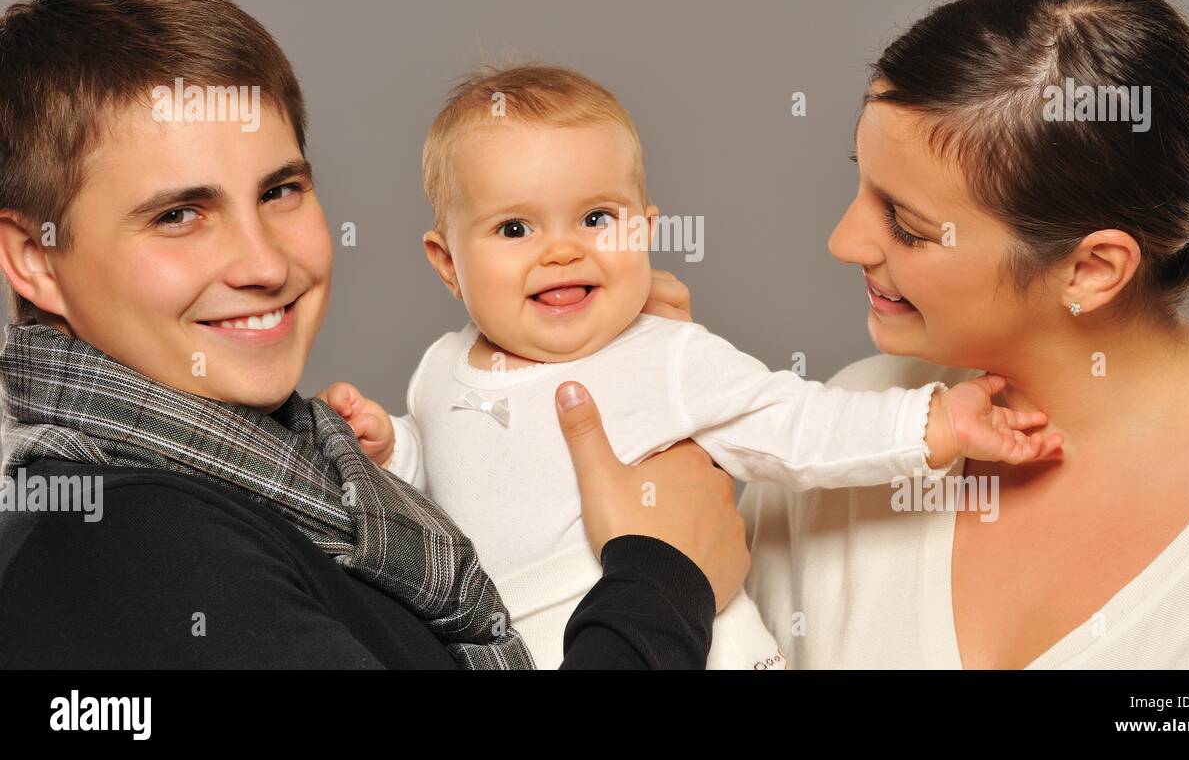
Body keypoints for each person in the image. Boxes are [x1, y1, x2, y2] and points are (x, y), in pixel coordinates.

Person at [0, 0, 745, 669]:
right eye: (178, 214)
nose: (263, 264)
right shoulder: (110, 544)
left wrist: (632, 376)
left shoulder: (303, 478)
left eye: (280, 191)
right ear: (35, 257)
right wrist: (662, 578)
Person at [315, 62, 1063, 669]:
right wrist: (393, 447)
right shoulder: (440, 367)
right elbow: (446, 470)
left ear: (645, 229)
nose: (563, 249)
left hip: (699, 649)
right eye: (515, 227)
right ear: (448, 263)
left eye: (597, 218)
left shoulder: (665, 356)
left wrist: (935, 419)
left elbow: (792, 421)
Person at [738, 0, 1189, 669]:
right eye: (862, 179)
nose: (844, 242)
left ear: (1091, 269)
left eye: (908, 227)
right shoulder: (840, 434)